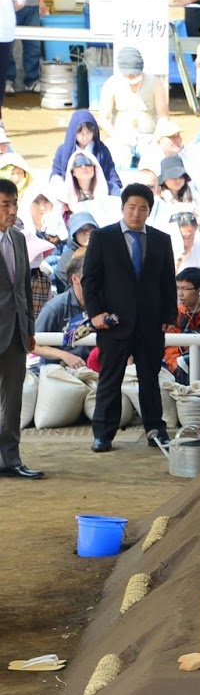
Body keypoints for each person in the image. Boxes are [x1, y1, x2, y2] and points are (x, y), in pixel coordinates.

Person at [81, 183, 176, 452]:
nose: (136, 213)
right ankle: (103, 434)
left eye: (143, 208)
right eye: (132, 207)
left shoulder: (161, 239)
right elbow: (91, 280)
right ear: (123, 207)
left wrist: (170, 314)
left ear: (149, 212)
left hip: (150, 322)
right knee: (110, 378)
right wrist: (96, 314)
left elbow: (168, 281)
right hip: (114, 322)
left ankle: (156, 430)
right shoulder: (103, 237)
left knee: (150, 378)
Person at [0, 178, 40, 478]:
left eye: (14, 204)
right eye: (5, 205)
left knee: (13, 398)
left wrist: (29, 327)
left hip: (15, 331)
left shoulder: (17, 238)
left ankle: (11, 458)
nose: (11, 210)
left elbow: (24, 288)